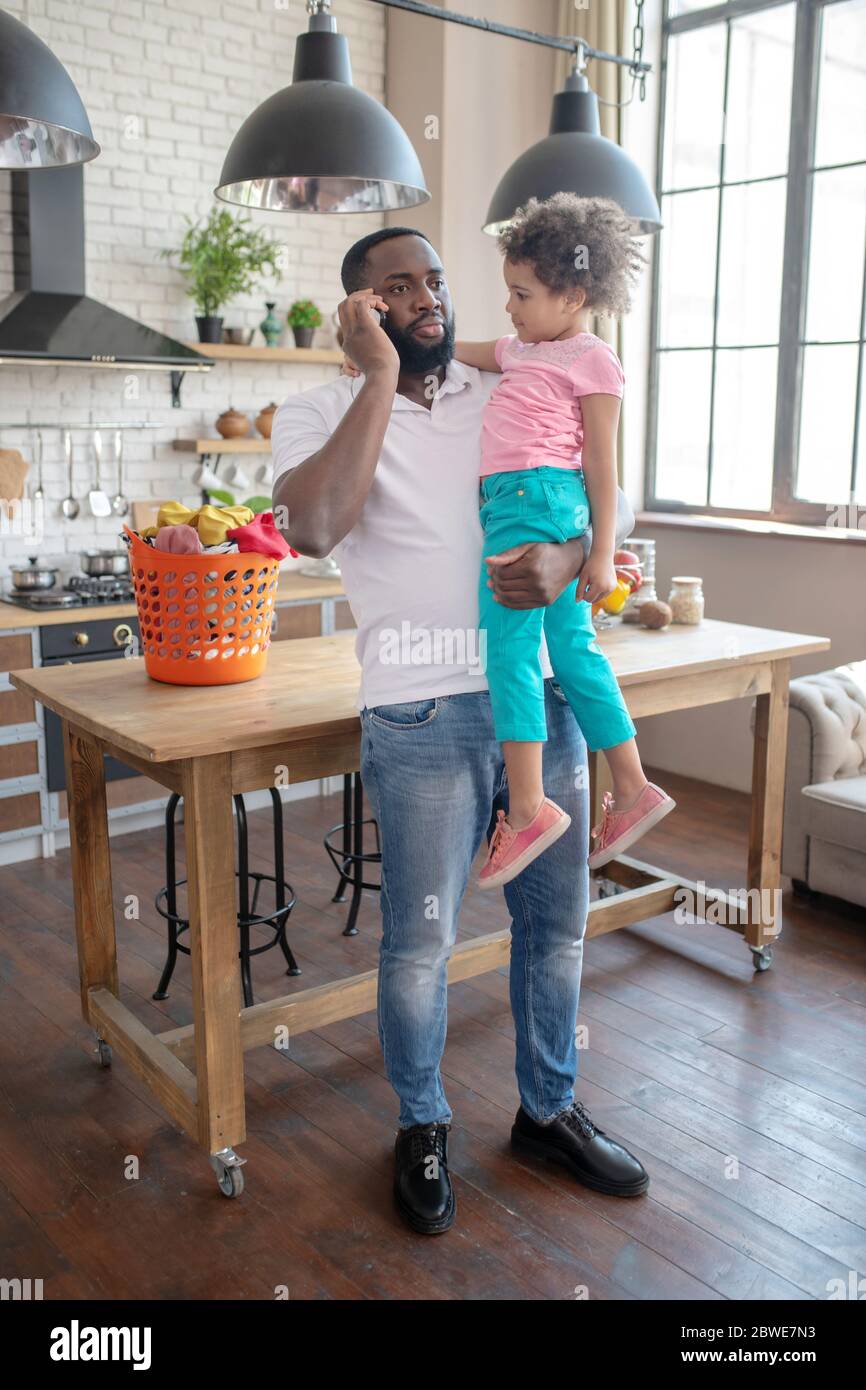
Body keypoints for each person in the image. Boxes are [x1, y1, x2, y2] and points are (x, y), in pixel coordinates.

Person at [272, 226, 649, 1236]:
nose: (428, 295)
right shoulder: (317, 408)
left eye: (434, 278)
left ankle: (546, 1107)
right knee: (419, 945)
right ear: (359, 308)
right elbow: (310, 526)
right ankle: (423, 1122)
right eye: (397, 286)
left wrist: (574, 560)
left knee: (554, 927)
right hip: (421, 713)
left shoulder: (503, 379)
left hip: (538, 703)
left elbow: (599, 490)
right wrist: (378, 377)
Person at [453, 194, 675, 891]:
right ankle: (633, 785)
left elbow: (604, 467)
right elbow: (467, 349)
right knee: (572, 650)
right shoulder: (524, 348)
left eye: (522, 294)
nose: (511, 308)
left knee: (510, 650)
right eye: (508, 292)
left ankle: (525, 809)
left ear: (574, 294)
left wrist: (601, 552)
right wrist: (397, 355)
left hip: (533, 500)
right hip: (531, 501)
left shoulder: (591, 359)